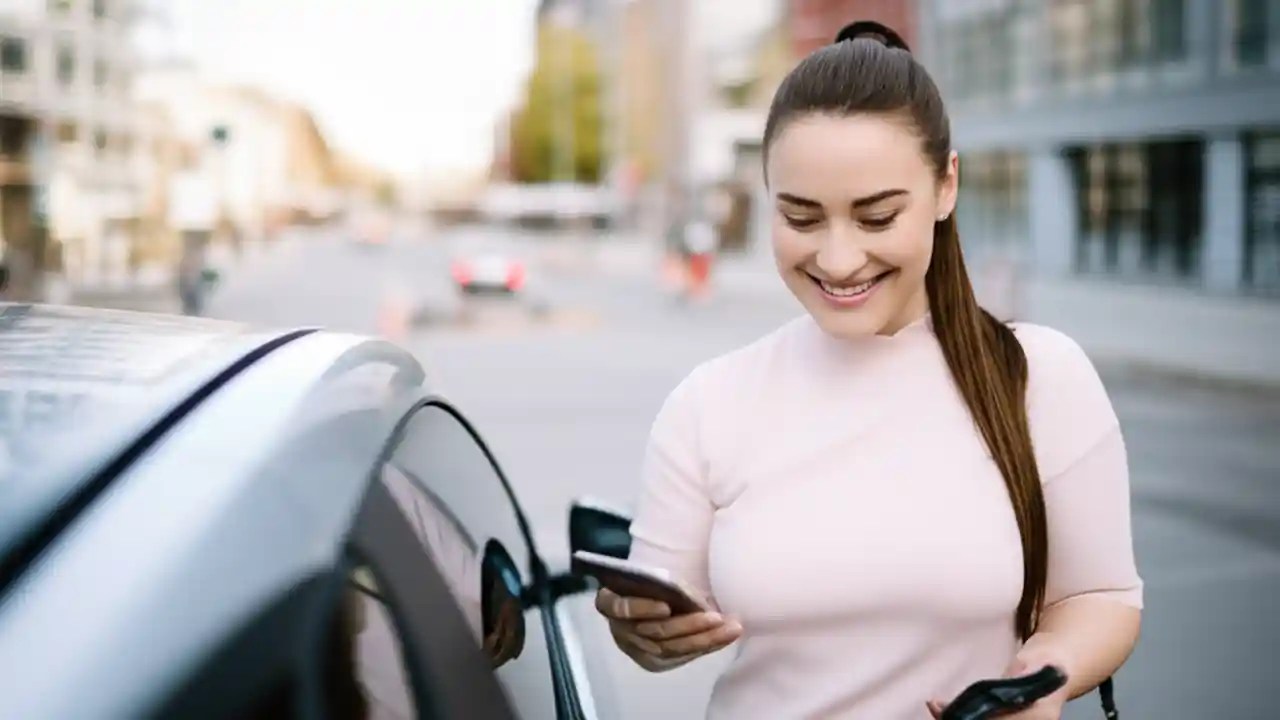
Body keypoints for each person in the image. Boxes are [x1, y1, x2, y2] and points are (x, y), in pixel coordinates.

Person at [594, 20, 1142, 720]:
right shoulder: (711, 402)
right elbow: (655, 604)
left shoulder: (1041, 376)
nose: (839, 259)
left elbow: (1099, 598)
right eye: (801, 217)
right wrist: (640, 627)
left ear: (946, 187)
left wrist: (1042, 676)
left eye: (877, 217)